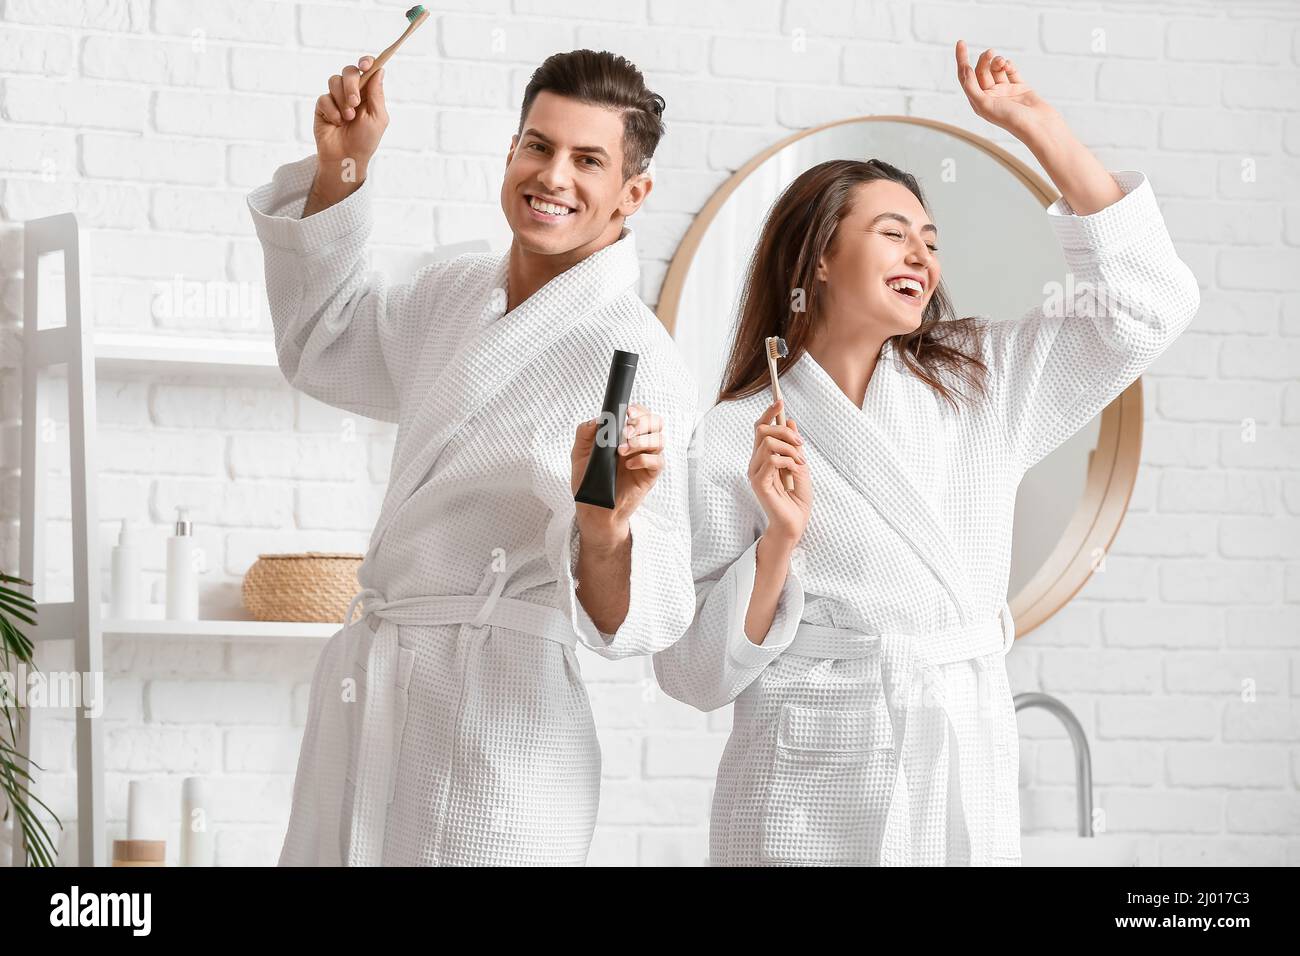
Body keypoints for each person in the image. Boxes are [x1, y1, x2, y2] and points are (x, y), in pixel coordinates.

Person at [652, 40, 1201, 866]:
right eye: (893, 232)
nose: (922, 254)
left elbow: (1151, 307)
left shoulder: (980, 381)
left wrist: (1038, 127)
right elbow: (694, 677)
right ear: (821, 258)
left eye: (930, 239)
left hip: (955, 756)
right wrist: (776, 544)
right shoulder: (738, 434)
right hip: (802, 785)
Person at [247, 49, 696, 866]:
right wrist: (344, 162)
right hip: (378, 693)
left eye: (588, 159)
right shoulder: (454, 291)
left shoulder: (637, 356)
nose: (552, 176)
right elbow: (324, 343)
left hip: (501, 726)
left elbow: (639, 620)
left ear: (634, 193)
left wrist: (607, 529)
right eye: (537, 145)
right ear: (512, 151)